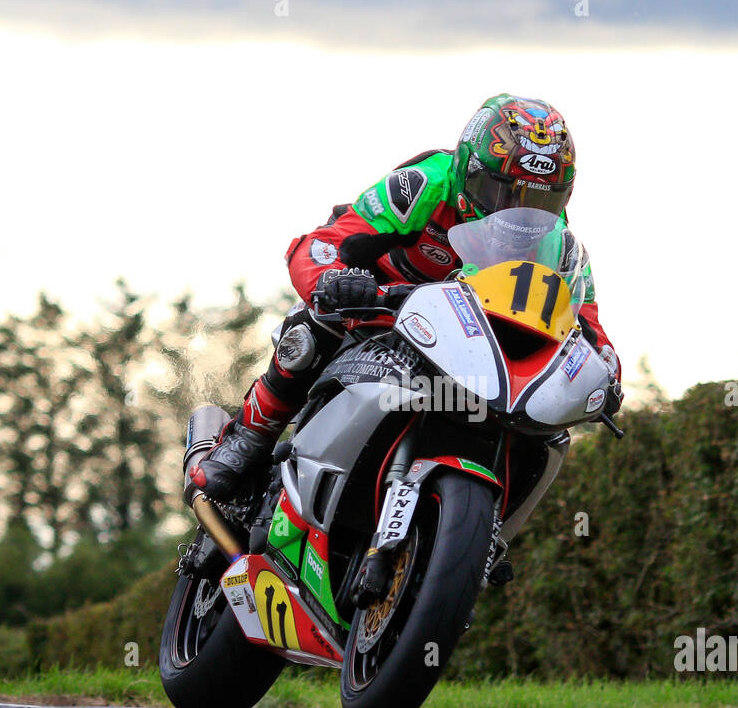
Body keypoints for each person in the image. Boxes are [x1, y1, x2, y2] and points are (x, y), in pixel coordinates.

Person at [190, 94, 622, 501]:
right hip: (385, 304)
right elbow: (323, 243)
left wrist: (605, 368)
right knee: (313, 324)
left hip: (477, 341)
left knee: (543, 424)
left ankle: (488, 528)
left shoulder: (555, 239)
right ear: (468, 170)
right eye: (503, 191)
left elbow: (586, 321)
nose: (516, 210)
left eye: (539, 198)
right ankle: (251, 434)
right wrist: (334, 280)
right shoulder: (425, 183)